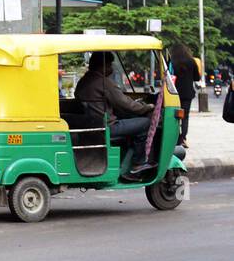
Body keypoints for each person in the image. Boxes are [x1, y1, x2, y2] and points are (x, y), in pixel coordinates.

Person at [75, 51, 155, 180]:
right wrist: (147, 107)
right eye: (110, 65)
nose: (111, 69)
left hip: (92, 126)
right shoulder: (103, 82)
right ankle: (138, 164)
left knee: (131, 120)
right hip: (107, 128)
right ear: (103, 66)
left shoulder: (84, 81)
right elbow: (125, 103)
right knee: (145, 123)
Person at [169, 43, 200, 148]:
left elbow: (167, 76)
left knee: (175, 116)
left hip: (174, 94)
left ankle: (175, 138)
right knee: (185, 116)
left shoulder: (172, 62)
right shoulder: (192, 62)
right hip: (187, 94)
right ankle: (183, 138)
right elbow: (197, 78)